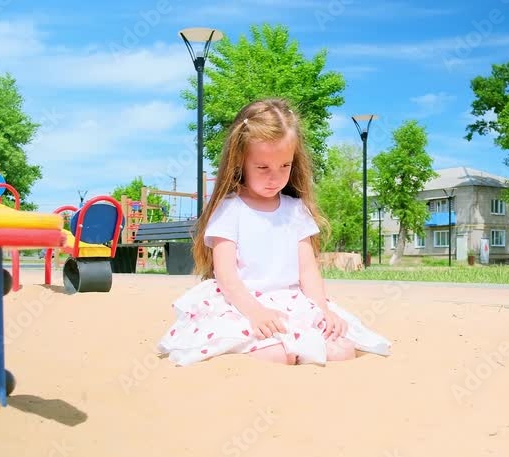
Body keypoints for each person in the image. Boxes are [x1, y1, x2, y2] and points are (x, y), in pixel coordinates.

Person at [156, 98, 392, 366]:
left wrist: (323, 309)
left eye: (285, 166)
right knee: (277, 354)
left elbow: (308, 271)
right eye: (262, 167)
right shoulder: (231, 209)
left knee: (342, 350)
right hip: (243, 303)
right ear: (240, 161)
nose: (275, 177)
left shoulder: (296, 210)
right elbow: (226, 274)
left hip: (294, 303)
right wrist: (255, 312)